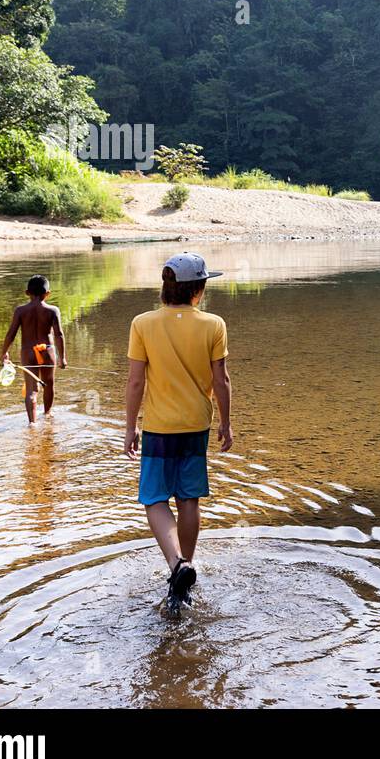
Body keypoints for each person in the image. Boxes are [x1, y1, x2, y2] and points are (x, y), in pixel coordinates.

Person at [123, 252, 233, 611]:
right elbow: (222, 380)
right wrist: (226, 424)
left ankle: (177, 566)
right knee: (189, 499)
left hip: (159, 426)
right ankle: (185, 568)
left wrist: (129, 428)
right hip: (196, 425)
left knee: (154, 498)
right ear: (198, 290)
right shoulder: (213, 324)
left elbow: (136, 381)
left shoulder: (142, 323)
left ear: (165, 288)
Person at [0, 275, 67, 423]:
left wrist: (4, 352)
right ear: (47, 293)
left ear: (27, 293)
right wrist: (62, 357)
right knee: (49, 384)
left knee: (31, 390)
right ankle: (47, 414)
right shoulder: (53, 310)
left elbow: (11, 334)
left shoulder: (20, 311)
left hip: (28, 352)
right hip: (47, 351)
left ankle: (32, 423)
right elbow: (59, 334)